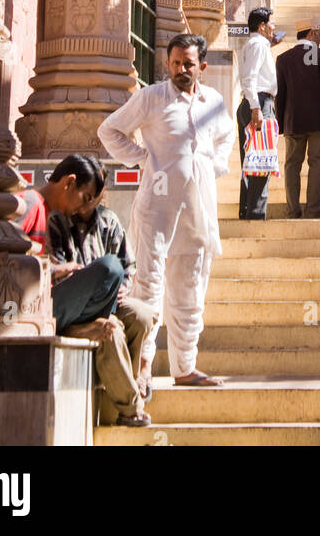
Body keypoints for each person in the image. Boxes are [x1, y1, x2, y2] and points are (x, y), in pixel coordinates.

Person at [98, 33, 235, 391]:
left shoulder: (214, 102)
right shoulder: (151, 98)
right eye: (175, 63)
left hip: (198, 211)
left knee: (190, 290)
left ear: (202, 67)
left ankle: (185, 368)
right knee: (147, 288)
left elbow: (226, 136)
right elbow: (109, 130)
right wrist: (143, 159)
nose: (180, 69)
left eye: (188, 64)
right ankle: (141, 368)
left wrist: (215, 165)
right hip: (156, 210)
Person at [14, 154, 152, 425]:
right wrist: (58, 271)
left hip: (59, 300)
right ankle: (87, 330)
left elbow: (128, 265)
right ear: (69, 183)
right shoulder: (32, 203)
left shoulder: (104, 220)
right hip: (35, 304)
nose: (82, 206)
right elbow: (4, 256)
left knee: (139, 313)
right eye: (84, 196)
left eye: (91, 200)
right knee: (109, 268)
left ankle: (116, 379)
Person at [275, 16, 320, 219]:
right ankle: (313, 210)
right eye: (319, 33)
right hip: (319, 122)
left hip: (293, 122)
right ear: (311, 34)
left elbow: (280, 94)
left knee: (292, 166)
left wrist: (281, 123)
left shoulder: (283, 59)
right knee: (318, 163)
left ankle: (292, 210)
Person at [237, 6, 278, 221]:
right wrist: (256, 108)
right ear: (262, 26)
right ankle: (255, 215)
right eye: (271, 22)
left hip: (256, 102)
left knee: (250, 162)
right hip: (259, 104)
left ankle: (248, 212)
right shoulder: (259, 45)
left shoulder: (255, 44)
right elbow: (249, 78)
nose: (274, 26)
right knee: (261, 162)